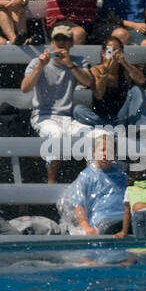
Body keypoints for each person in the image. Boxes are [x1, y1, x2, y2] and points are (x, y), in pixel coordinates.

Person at [21, 25, 94, 181]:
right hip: (43, 116)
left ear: (71, 43)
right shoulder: (37, 61)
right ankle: (51, 184)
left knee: (97, 136)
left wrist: (70, 64)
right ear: (52, 42)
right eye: (57, 39)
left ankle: (92, 181)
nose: (61, 43)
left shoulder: (78, 62)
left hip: (68, 119)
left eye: (65, 39)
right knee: (56, 135)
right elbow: (25, 88)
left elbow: (88, 81)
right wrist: (40, 66)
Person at [74, 32, 146, 132]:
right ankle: (111, 130)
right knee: (78, 110)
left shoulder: (126, 70)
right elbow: (98, 95)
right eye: (110, 50)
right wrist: (106, 72)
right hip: (101, 117)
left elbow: (141, 80)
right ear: (103, 53)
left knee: (136, 89)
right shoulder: (96, 70)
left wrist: (124, 63)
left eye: (116, 50)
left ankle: (140, 127)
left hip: (121, 116)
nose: (113, 54)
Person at [66, 133, 129, 236]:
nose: (106, 154)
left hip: (124, 221)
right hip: (103, 221)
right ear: (94, 152)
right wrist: (86, 227)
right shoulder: (86, 176)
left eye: (109, 151)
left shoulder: (121, 175)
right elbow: (79, 205)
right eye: (102, 150)